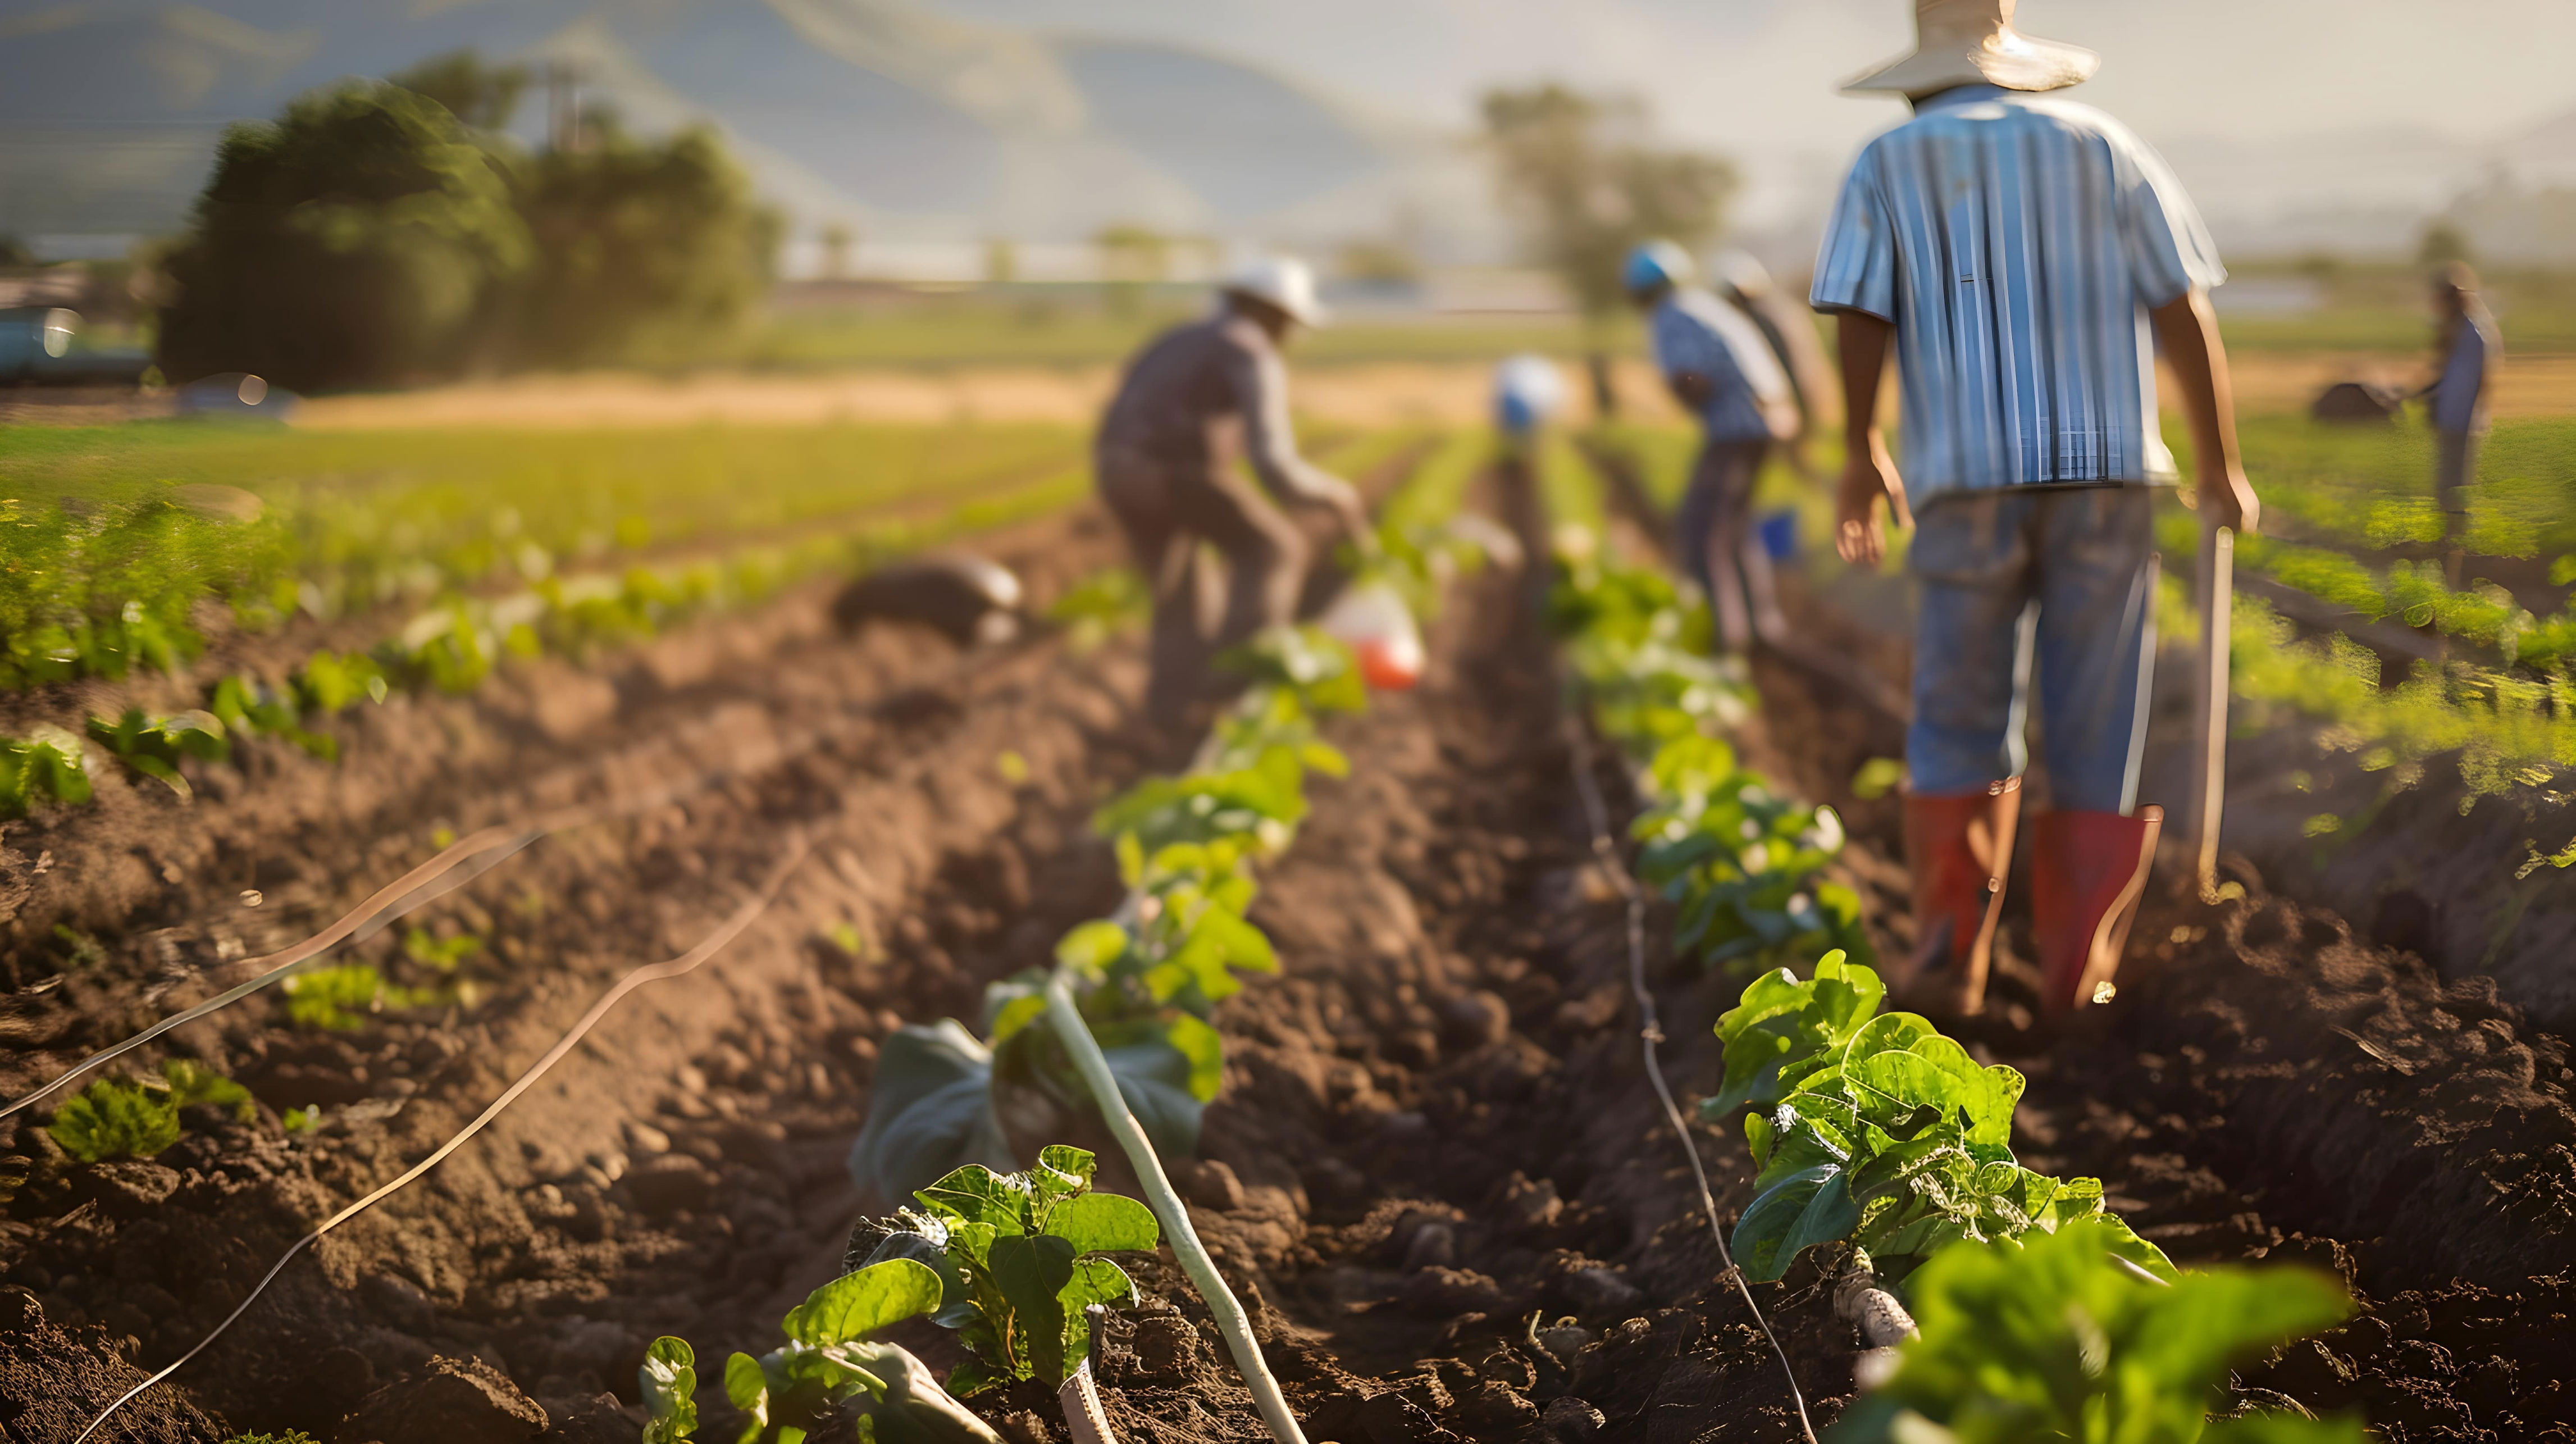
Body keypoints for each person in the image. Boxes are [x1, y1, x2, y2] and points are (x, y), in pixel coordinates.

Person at [1810, 0, 2258, 1014]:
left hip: (1964, 477)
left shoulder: (1888, 160)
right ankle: (2077, 971)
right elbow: (2181, 303)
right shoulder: (2106, 145)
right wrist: (2219, 462)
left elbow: (1857, 310)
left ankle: (1950, 965)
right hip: (2106, 474)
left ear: (1923, 68)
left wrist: (1857, 452)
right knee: (2099, 713)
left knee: (1960, 712)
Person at [1095, 256, 1370, 729]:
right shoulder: (1249, 349)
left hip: (1116, 472)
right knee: (1275, 549)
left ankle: (1170, 713)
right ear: (1272, 314)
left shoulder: (1178, 337)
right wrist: (1334, 496)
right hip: (1175, 471)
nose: (1289, 335)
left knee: (1179, 588)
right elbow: (1274, 466)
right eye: (1289, 323)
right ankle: (1237, 683)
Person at [1625, 240, 1800, 653]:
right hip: (1764, 421)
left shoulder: (1671, 316)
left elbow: (1695, 380)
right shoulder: (1702, 304)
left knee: (1701, 532)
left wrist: (1673, 394)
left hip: (1733, 429)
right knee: (1735, 525)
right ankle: (1762, 622)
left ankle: (1726, 636)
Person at [1709, 249, 1840, 481]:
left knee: (1799, 463)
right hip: (1789, 401)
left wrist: (1789, 404)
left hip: (1792, 400)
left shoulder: (1767, 320)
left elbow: (1790, 366)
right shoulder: (1775, 314)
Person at [2422, 262, 2499, 552]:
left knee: (2457, 481)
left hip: (2464, 417)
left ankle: (2458, 543)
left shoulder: (2473, 332)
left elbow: (2477, 380)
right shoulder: (2457, 330)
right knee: (2447, 480)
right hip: (2451, 415)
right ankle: (2450, 539)